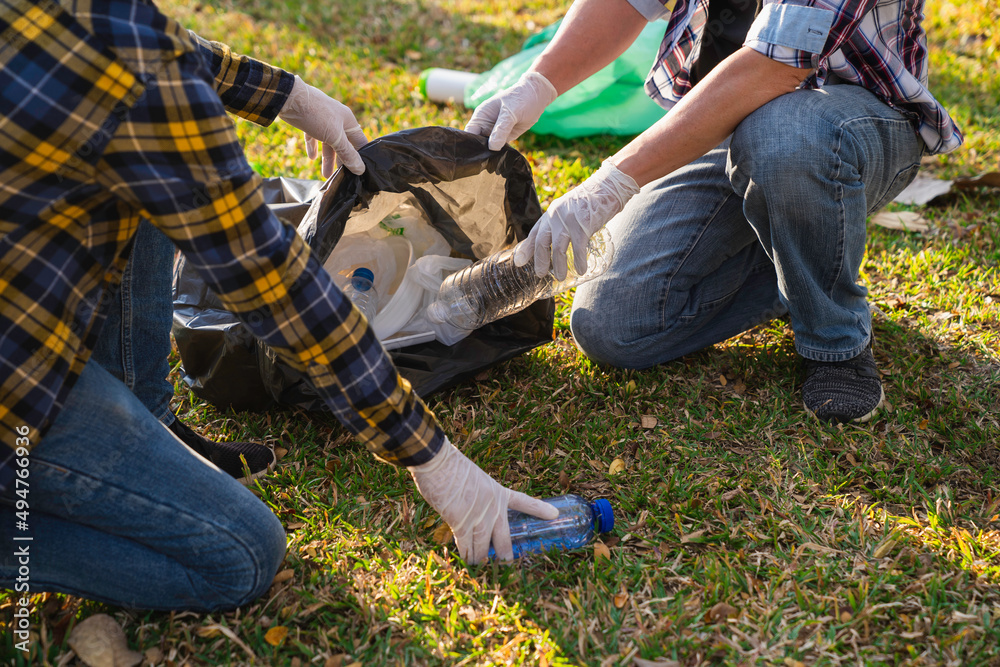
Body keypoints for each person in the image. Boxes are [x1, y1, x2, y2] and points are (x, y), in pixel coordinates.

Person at [0, 0, 557, 612]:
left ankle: (146, 415)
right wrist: (432, 456)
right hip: (19, 381)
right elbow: (272, 283)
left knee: (148, 177)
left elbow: (125, 40)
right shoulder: (141, 79)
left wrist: (289, 95)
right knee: (242, 555)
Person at [466, 0, 962, 423]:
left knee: (784, 139)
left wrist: (611, 183)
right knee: (614, 325)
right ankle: (800, 245)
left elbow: (779, 66)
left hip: (842, 124)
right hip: (721, 124)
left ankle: (835, 342)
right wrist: (538, 84)